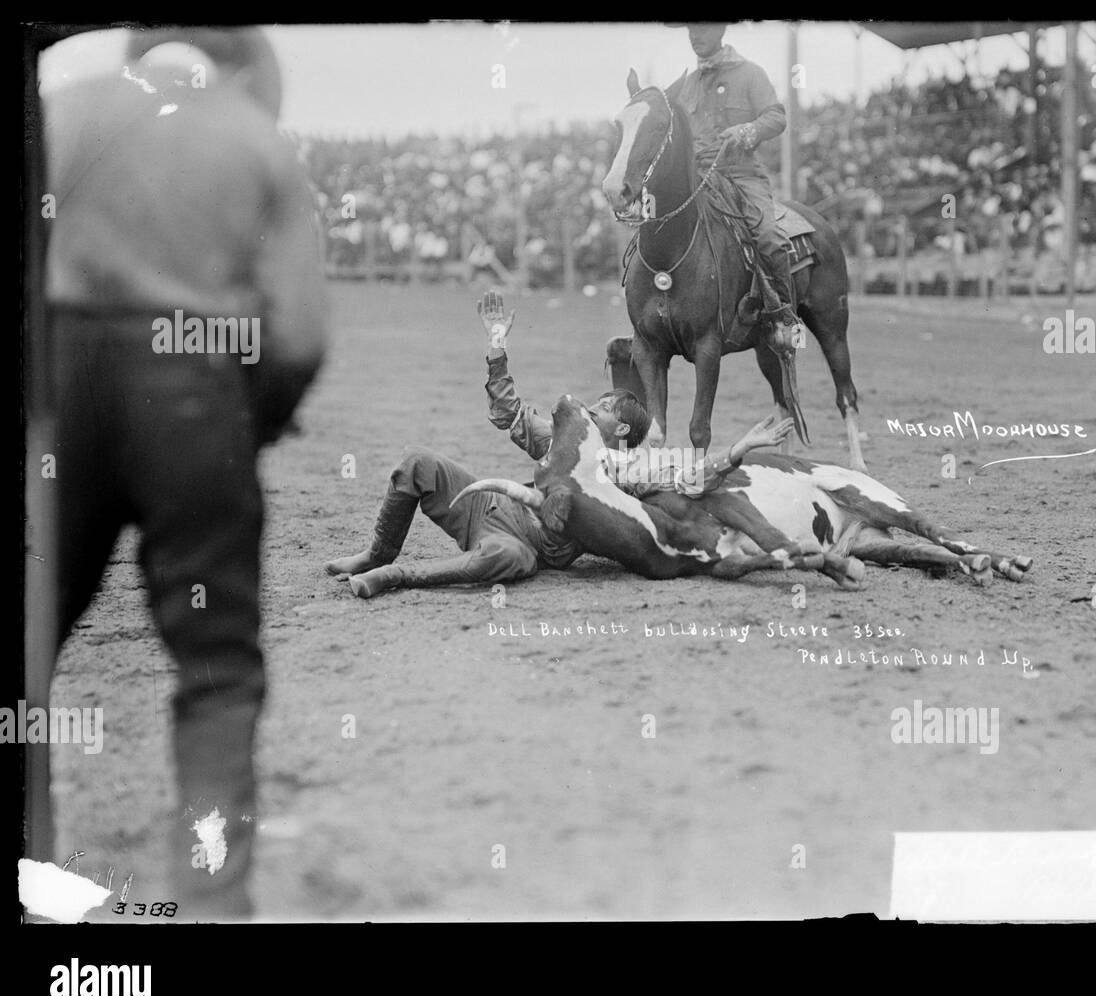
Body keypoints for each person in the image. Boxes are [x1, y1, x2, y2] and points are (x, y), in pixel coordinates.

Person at [44, 27, 327, 919]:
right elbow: (297, 340)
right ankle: (209, 907)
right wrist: (258, 422)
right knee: (217, 674)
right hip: (194, 394)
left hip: (59, 383)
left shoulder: (56, 112)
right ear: (235, 55)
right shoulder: (252, 137)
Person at [326, 291, 793, 597]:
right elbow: (510, 413)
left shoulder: (627, 476)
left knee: (504, 559)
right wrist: (496, 344)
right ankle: (377, 554)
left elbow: (689, 478)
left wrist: (741, 448)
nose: (595, 405)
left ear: (623, 431)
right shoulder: (565, 439)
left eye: (606, 405)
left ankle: (396, 577)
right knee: (417, 463)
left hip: (528, 546)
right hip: (484, 503)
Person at [665, 23, 804, 350]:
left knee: (768, 237)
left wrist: (744, 131)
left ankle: (786, 317)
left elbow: (777, 117)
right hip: (698, 177)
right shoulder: (685, 85)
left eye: (701, 29)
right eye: (690, 30)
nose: (694, 36)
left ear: (720, 30)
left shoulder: (750, 74)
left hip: (741, 174)